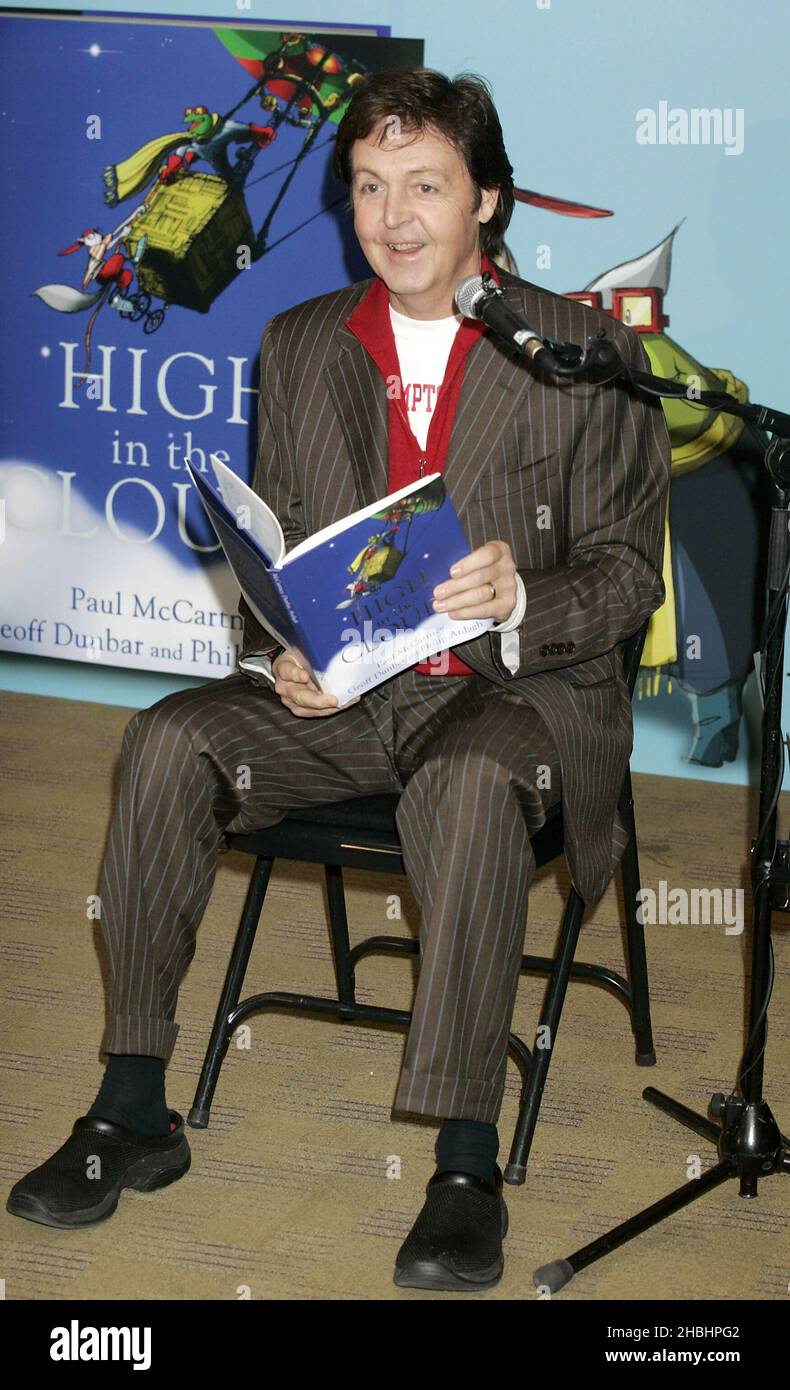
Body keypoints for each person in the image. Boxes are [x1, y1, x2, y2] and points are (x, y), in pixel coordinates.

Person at [7, 66, 671, 1294]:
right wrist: (284, 655)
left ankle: (465, 1162)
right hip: (352, 701)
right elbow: (283, 560)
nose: (394, 216)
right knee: (163, 738)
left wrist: (523, 593)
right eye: (369, 187)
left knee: (468, 786)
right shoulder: (302, 342)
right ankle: (133, 1105)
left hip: (520, 696)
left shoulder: (583, 349)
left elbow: (630, 570)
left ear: (487, 200)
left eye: (425, 185)